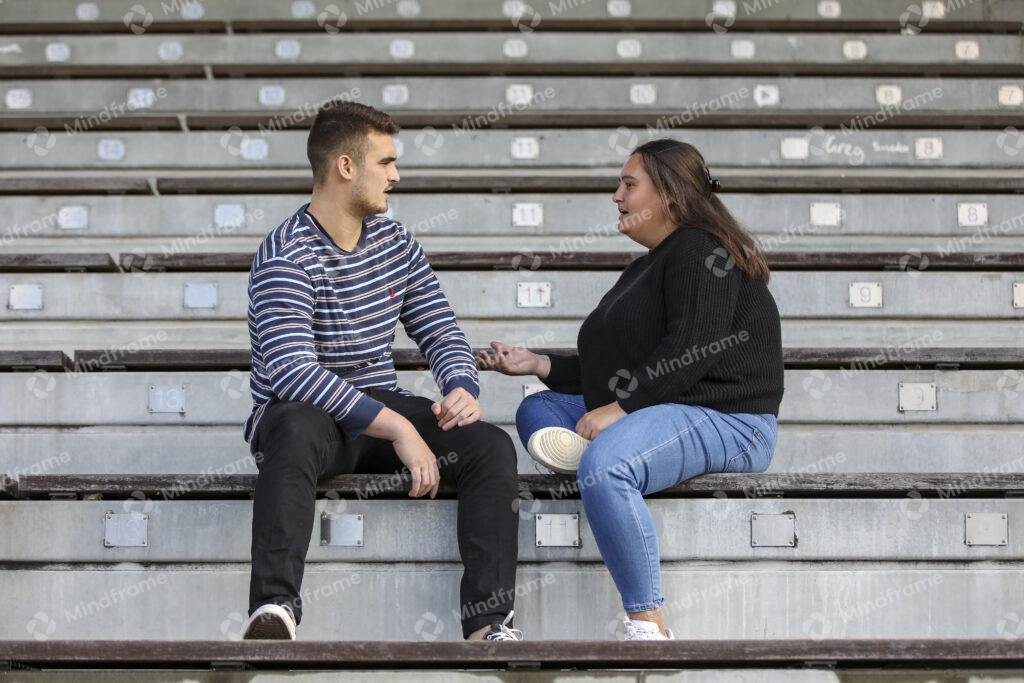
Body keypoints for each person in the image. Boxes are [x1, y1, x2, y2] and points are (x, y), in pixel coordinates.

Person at [478, 138, 784, 641]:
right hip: (667, 405)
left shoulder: (700, 249)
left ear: (667, 194)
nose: (616, 196)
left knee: (607, 466)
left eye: (628, 184)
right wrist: (538, 363)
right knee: (538, 409)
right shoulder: (647, 266)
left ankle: (648, 621)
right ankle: (616, 453)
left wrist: (623, 410)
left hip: (730, 417)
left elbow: (696, 344)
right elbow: (616, 366)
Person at [241, 101, 521, 642]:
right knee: (295, 424)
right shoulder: (285, 253)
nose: (396, 176)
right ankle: (275, 609)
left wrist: (461, 387)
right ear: (347, 167)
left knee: (489, 445)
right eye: (386, 162)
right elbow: (292, 372)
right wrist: (399, 428)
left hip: (378, 407)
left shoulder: (396, 242)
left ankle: (488, 625)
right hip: (308, 418)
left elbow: (440, 330)